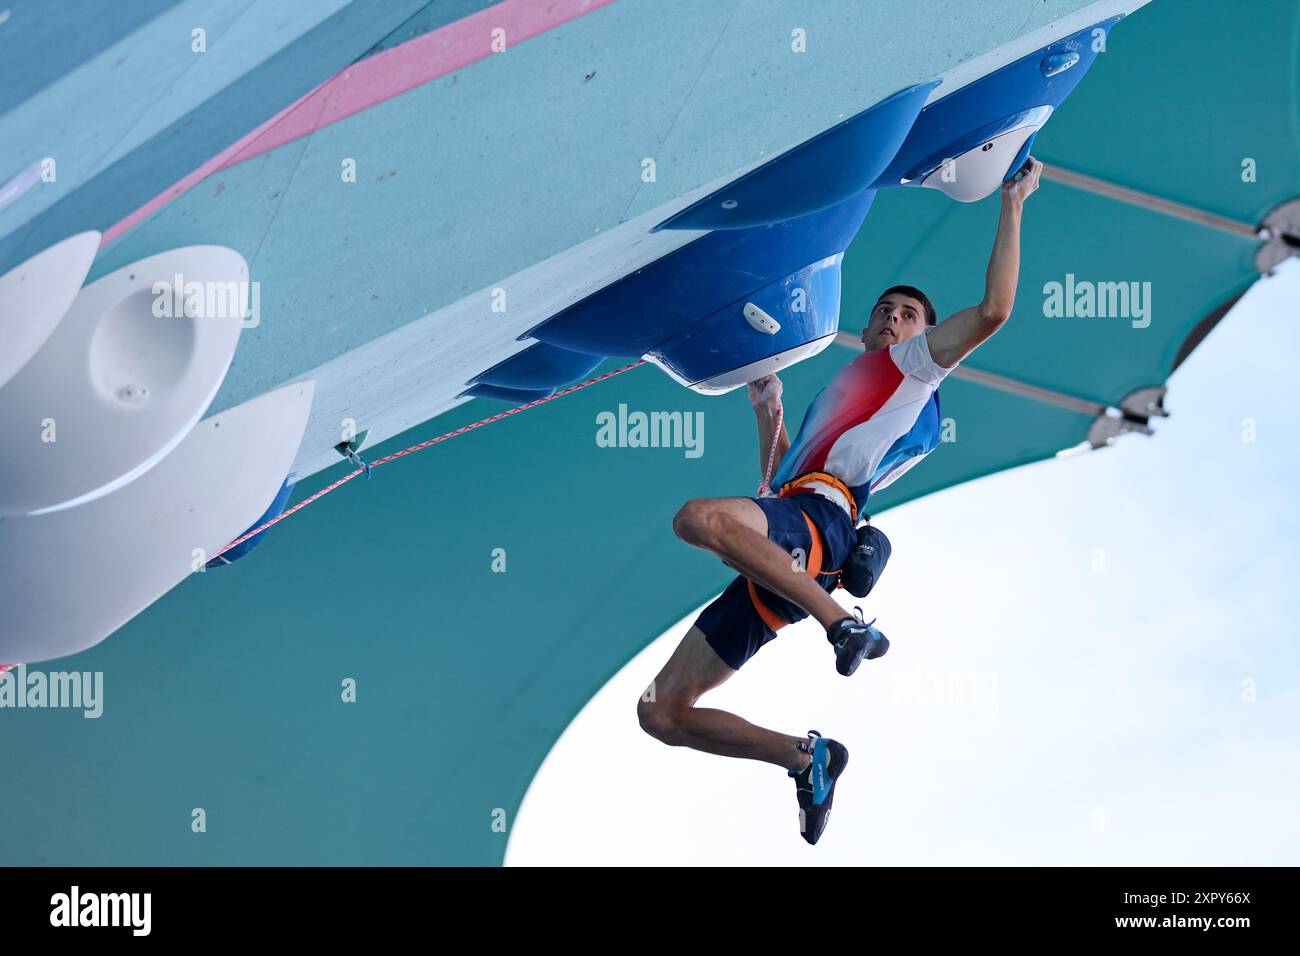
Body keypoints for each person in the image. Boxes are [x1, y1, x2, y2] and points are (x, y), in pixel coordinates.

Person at [638, 157, 1044, 845]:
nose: (893, 315)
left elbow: (997, 310)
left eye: (909, 313)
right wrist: (770, 410)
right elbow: (783, 483)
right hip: (794, 541)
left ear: (924, 336)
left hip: (818, 533)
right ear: (867, 326)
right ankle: (808, 758)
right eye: (885, 309)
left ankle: (845, 626)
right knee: (661, 712)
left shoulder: (912, 369)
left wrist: (1013, 201)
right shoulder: (859, 384)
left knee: (698, 519)